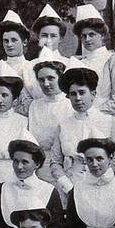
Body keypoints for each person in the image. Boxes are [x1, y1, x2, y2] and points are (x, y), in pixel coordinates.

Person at [49, 63, 115, 195]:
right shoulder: (63, 125)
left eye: (82, 93)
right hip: (72, 187)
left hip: (105, 185)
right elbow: (55, 162)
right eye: (73, 94)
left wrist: (104, 178)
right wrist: (68, 187)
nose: (77, 98)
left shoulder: (110, 122)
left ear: (93, 94)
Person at [25, 55, 73, 184]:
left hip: (65, 165)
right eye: (41, 80)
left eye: (51, 78)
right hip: (40, 164)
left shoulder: (70, 104)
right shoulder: (34, 105)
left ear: (61, 78)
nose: (45, 84)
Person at [72, 3, 115, 115]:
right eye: (83, 36)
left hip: (106, 116)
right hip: (82, 116)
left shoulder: (112, 60)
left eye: (92, 34)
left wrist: (93, 112)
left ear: (101, 35)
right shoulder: (80, 62)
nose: (87, 39)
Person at [0, 10, 33, 114]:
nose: (9, 44)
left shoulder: (30, 67)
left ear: (24, 42)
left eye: (14, 40)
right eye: (6, 41)